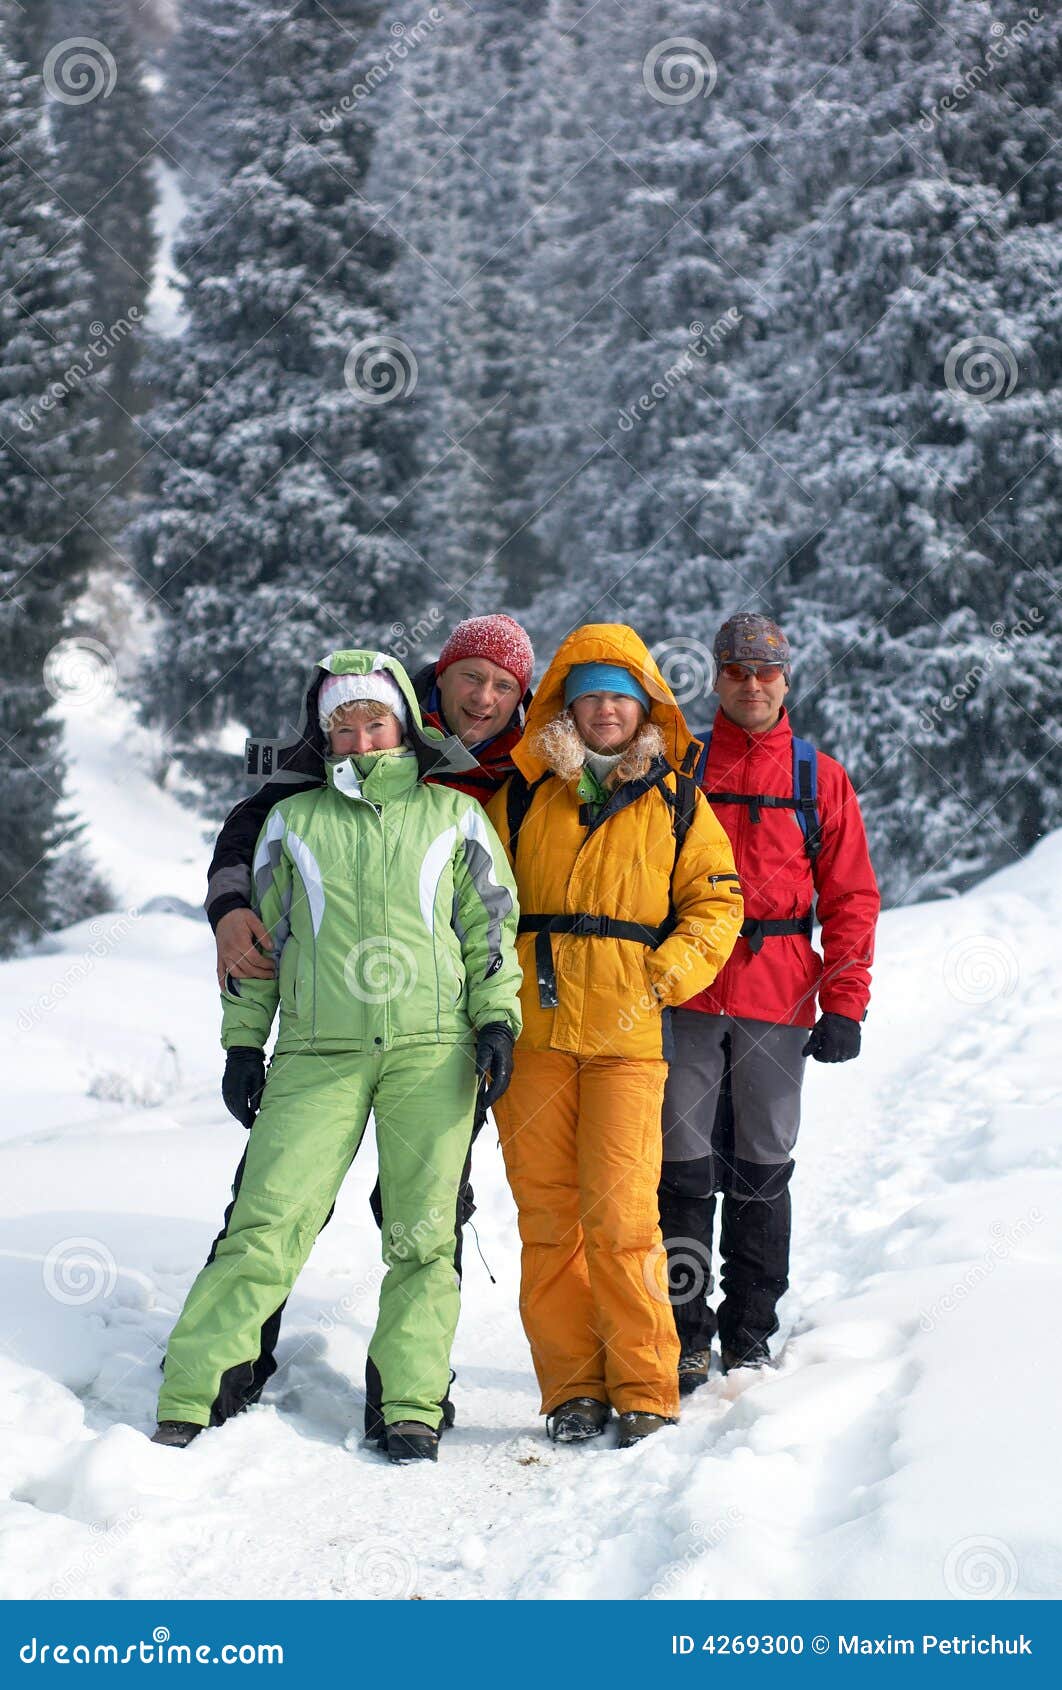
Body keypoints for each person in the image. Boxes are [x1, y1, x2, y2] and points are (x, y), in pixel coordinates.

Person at [153, 651, 522, 1463]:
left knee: (424, 1236)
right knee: (266, 1220)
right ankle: (193, 1389)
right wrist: (244, 1044)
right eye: (342, 727)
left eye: (374, 722)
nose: (359, 739)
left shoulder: (453, 819)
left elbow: (490, 933)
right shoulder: (293, 822)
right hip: (317, 1051)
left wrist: (497, 1026)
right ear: (323, 738)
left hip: (433, 1053)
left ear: (404, 725)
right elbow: (261, 945)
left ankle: (409, 1405)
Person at [486, 625, 744, 1449]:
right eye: (590, 693)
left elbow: (717, 901)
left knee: (625, 1215)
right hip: (532, 1033)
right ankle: (571, 1389)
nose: (604, 709)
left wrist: (665, 973)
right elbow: (472, 899)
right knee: (548, 1219)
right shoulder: (522, 794)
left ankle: (644, 1386)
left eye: (620, 696)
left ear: (645, 708)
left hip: (630, 1038)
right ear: (567, 701)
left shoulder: (678, 798)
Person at [657, 613, 881, 1390]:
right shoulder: (679, 762)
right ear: (716, 678)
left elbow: (851, 897)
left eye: (767, 671)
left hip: (779, 996)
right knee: (680, 1169)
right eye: (736, 670)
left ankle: (749, 1331)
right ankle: (685, 1333)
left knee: (762, 1167)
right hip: (685, 991)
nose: (752, 684)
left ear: (787, 679)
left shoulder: (820, 776)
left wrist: (845, 1000)